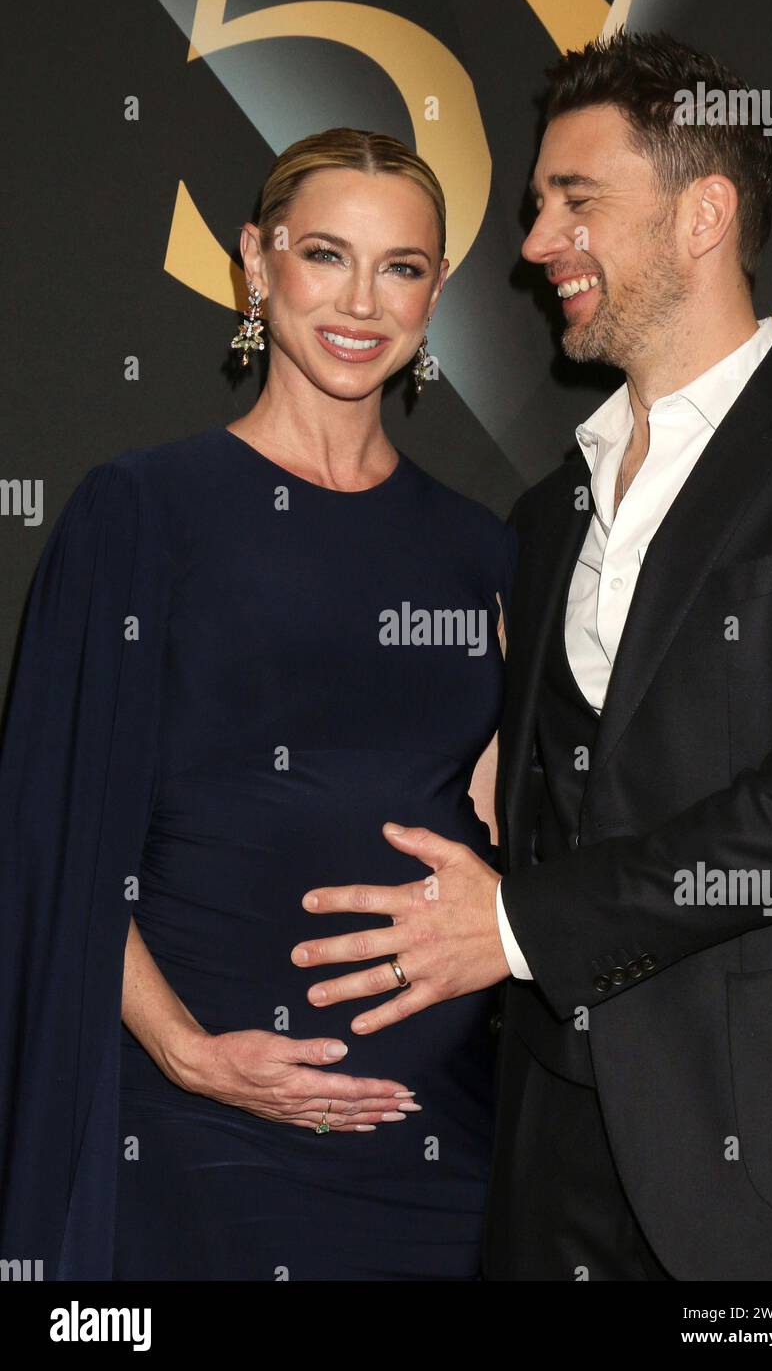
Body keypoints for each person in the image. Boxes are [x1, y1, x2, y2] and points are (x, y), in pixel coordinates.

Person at [290, 31, 772, 1281]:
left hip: (763, 1161)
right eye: (538, 206)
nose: (536, 243)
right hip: (545, 1153)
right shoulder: (548, 515)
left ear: (703, 213)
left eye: (575, 200)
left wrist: (511, 924)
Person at [0, 127, 516, 1281]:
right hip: (195, 1134)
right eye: (325, 254)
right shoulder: (140, 513)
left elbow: (519, 829)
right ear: (255, 261)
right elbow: (50, 838)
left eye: (401, 266)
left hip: (438, 1141)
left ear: (436, 291)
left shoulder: (484, 553)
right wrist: (188, 1056)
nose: (361, 300)